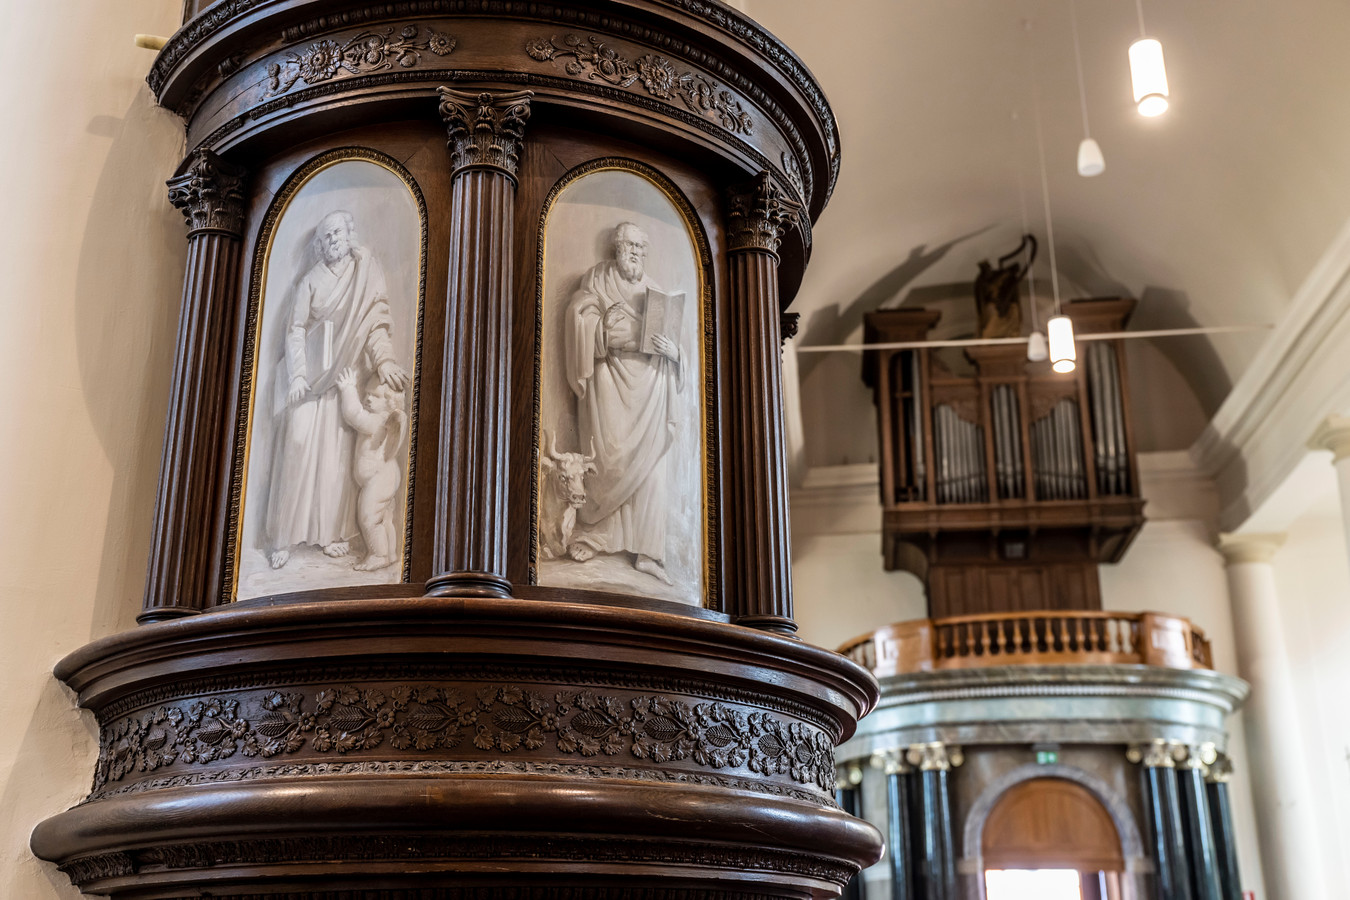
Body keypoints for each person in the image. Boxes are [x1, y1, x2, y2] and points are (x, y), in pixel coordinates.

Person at [265, 210, 409, 569]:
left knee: (334, 462)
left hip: (344, 379)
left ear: (349, 234)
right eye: (326, 236)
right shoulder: (310, 281)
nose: (333, 240)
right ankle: (283, 537)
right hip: (309, 379)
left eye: (337, 233)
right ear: (320, 244)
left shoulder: (365, 273)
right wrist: (298, 375)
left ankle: (328, 534)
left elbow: (375, 324)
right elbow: (296, 328)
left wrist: (384, 361)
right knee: (297, 447)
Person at [562, 222, 683, 585]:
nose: (635, 253)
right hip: (609, 384)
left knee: (652, 470)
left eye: (640, 248)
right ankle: (596, 537)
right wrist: (601, 328)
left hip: (651, 391)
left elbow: (672, 339)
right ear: (616, 248)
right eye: (629, 246)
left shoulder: (656, 292)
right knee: (608, 458)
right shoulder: (597, 280)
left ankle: (647, 552)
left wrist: (675, 353)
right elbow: (579, 319)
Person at [335, 366, 407, 572]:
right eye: (366, 393)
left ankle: (378, 555)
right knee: (384, 518)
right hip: (384, 477)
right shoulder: (382, 420)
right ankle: (391, 553)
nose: (367, 399)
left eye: (375, 396)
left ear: (390, 402)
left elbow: (354, 414)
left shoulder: (378, 421)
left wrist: (348, 389)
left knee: (369, 518)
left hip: (380, 479)